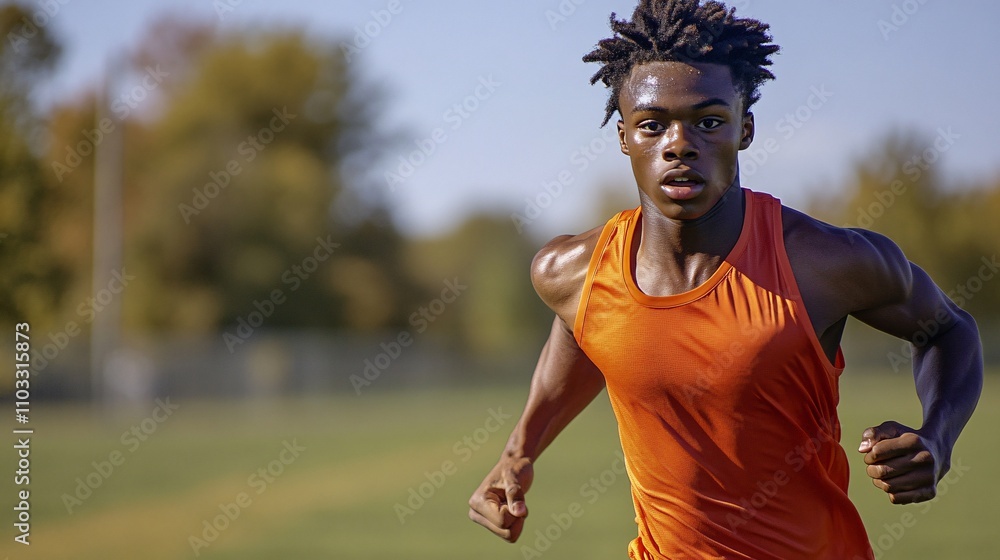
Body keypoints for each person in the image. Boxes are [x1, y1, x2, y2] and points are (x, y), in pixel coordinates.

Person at [466, 1, 984, 558]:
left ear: (746, 129)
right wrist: (518, 452)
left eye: (709, 121)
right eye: (652, 124)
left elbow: (949, 329)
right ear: (623, 137)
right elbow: (583, 333)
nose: (679, 143)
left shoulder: (825, 262)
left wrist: (937, 437)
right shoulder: (571, 273)